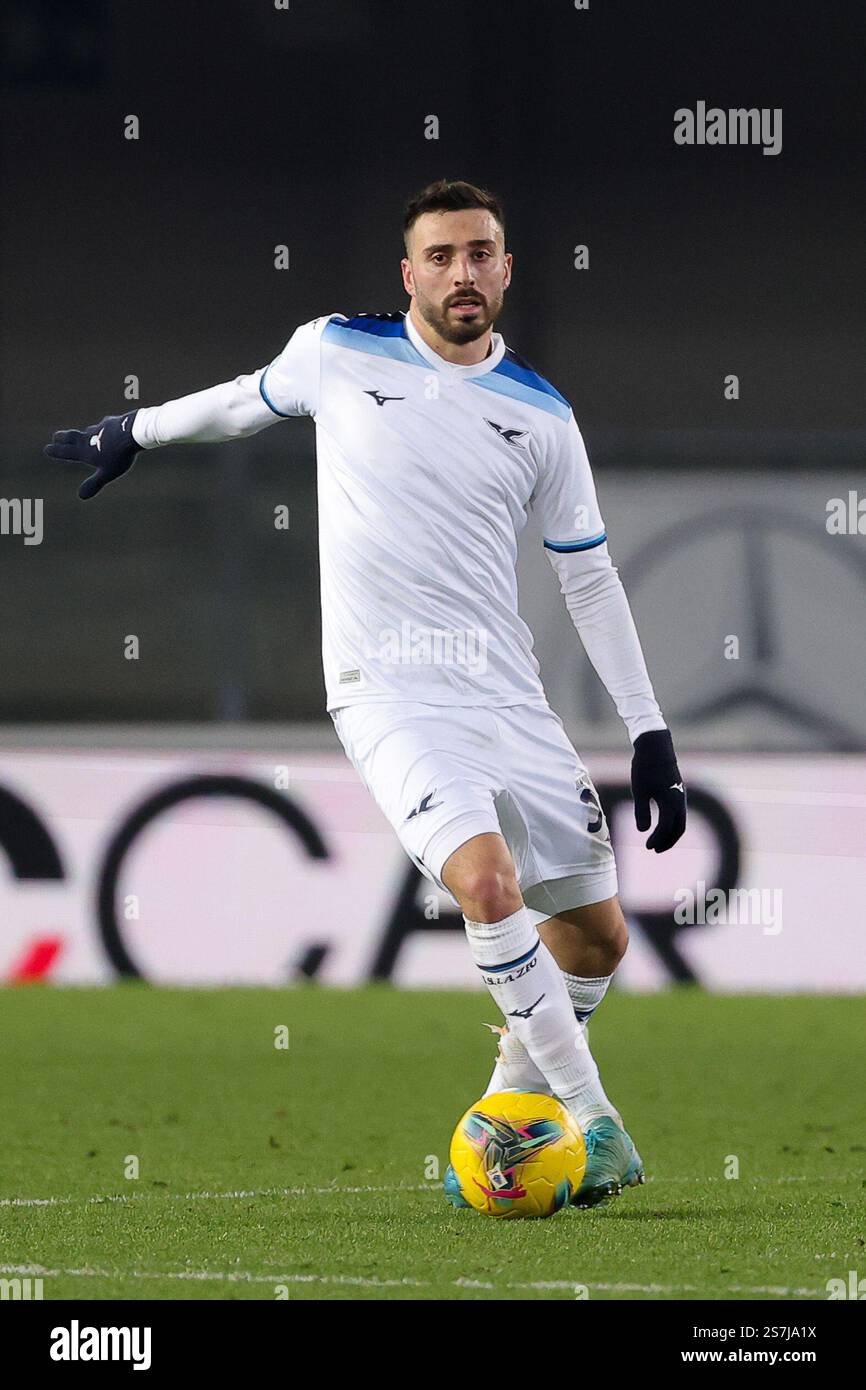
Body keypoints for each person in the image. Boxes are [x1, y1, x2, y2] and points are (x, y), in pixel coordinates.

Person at [45, 178, 686, 1208]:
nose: (461, 272)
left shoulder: (541, 415)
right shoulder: (339, 351)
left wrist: (648, 731)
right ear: (408, 274)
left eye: (480, 253)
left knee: (596, 937)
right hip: (389, 693)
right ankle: (599, 1121)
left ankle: (506, 1117)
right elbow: (242, 400)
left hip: (506, 698)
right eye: (439, 256)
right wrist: (136, 429)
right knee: (486, 888)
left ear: (507, 268)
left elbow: (587, 575)